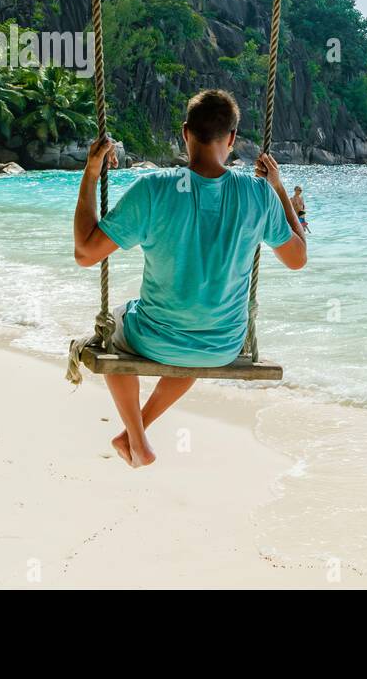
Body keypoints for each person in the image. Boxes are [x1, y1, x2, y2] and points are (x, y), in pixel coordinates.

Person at [73, 89, 307, 468]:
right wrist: (279, 189)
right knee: (194, 337)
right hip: (222, 345)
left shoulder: (153, 189)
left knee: (111, 328)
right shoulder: (259, 195)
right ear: (232, 139)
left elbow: (86, 253)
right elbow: (298, 258)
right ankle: (135, 435)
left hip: (155, 338)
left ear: (185, 133)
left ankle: (136, 435)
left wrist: (91, 173)